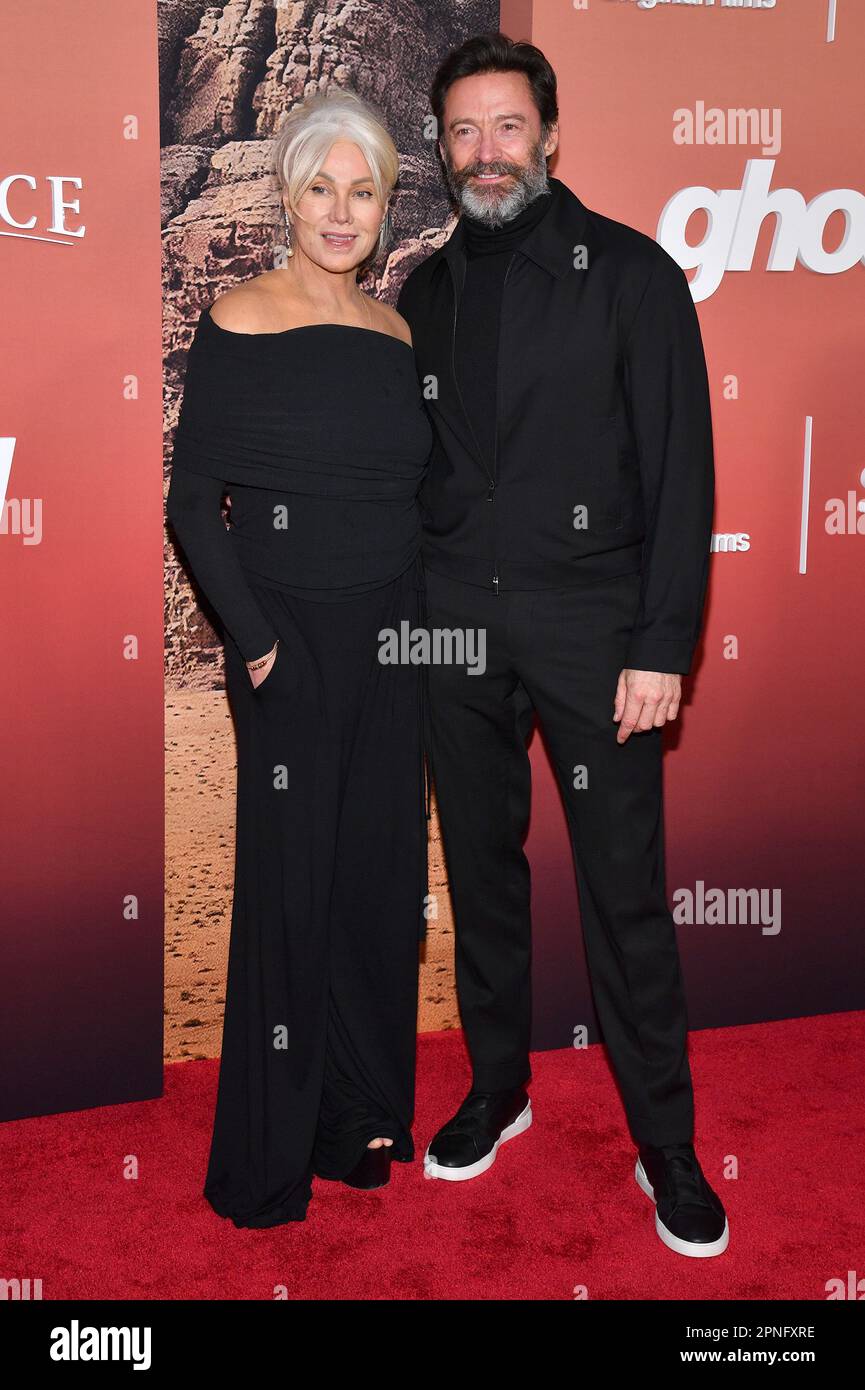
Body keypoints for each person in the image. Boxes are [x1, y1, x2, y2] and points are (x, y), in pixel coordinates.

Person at [397, 33, 728, 1258]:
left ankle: (667, 1146)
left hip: (597, 635)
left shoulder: (632, 276)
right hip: (452, 630)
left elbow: (682, 474)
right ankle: (500, 1087)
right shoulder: (421, 296)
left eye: (507, 126)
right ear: (442, 149)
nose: (486, 151)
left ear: (549, 134)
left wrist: (662, 644)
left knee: (623, 892)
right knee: (480, 873)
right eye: (464, 131)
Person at [166, 88, 432, 1228]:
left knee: (376, 883)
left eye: (361, 192)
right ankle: (269, 1151)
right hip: (291, 644)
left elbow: (410, 500)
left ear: (383, 206)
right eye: (320, 187)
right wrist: (262, 647)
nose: (339, 211)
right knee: (292, 892)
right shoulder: (239, 319)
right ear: (287, 193)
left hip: (392, 640)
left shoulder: (396, 336)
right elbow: (194, 505)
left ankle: (356, 1113)